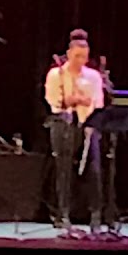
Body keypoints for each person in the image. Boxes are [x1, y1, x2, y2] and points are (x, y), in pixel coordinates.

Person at [44, 30, 106, 235]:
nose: (81, 61)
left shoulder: (94, 76)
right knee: (64, 171)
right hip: (64, 124)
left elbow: (98, 102)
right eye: (77, 56)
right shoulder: (57, 74)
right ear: (69, 54)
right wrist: (69, 101)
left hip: (88, 126)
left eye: (85, 57)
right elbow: (54, 101)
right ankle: (63, 214)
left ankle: (96, 216)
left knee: (94, 171)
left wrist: (87, 109)